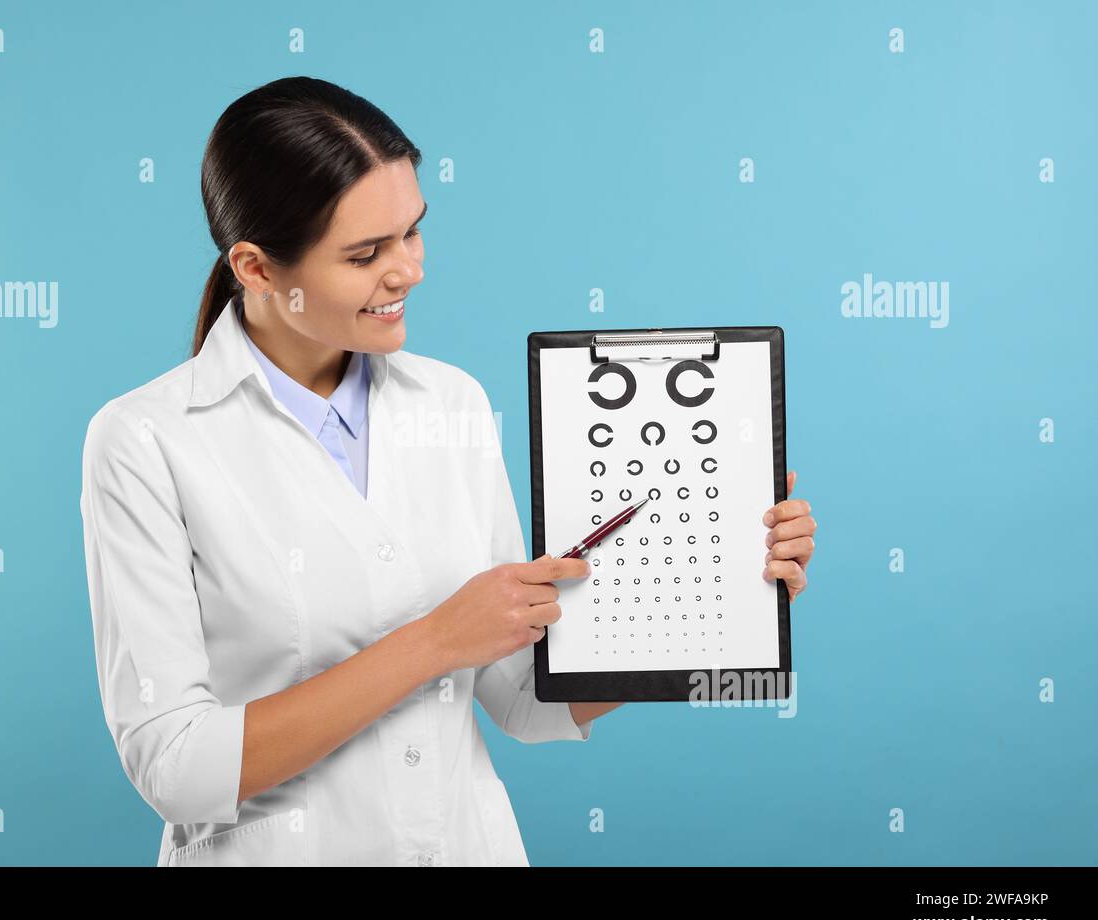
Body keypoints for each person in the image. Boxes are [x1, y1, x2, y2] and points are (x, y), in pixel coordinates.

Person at [79, 76, 816, 866]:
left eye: (413, 232)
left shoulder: (451, 402)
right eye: (365, 253)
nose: (408, 272)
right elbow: (176, 764)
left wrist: (717, 585)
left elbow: (523, 700)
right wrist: (433, 641)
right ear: (257, 268)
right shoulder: (144, 441)